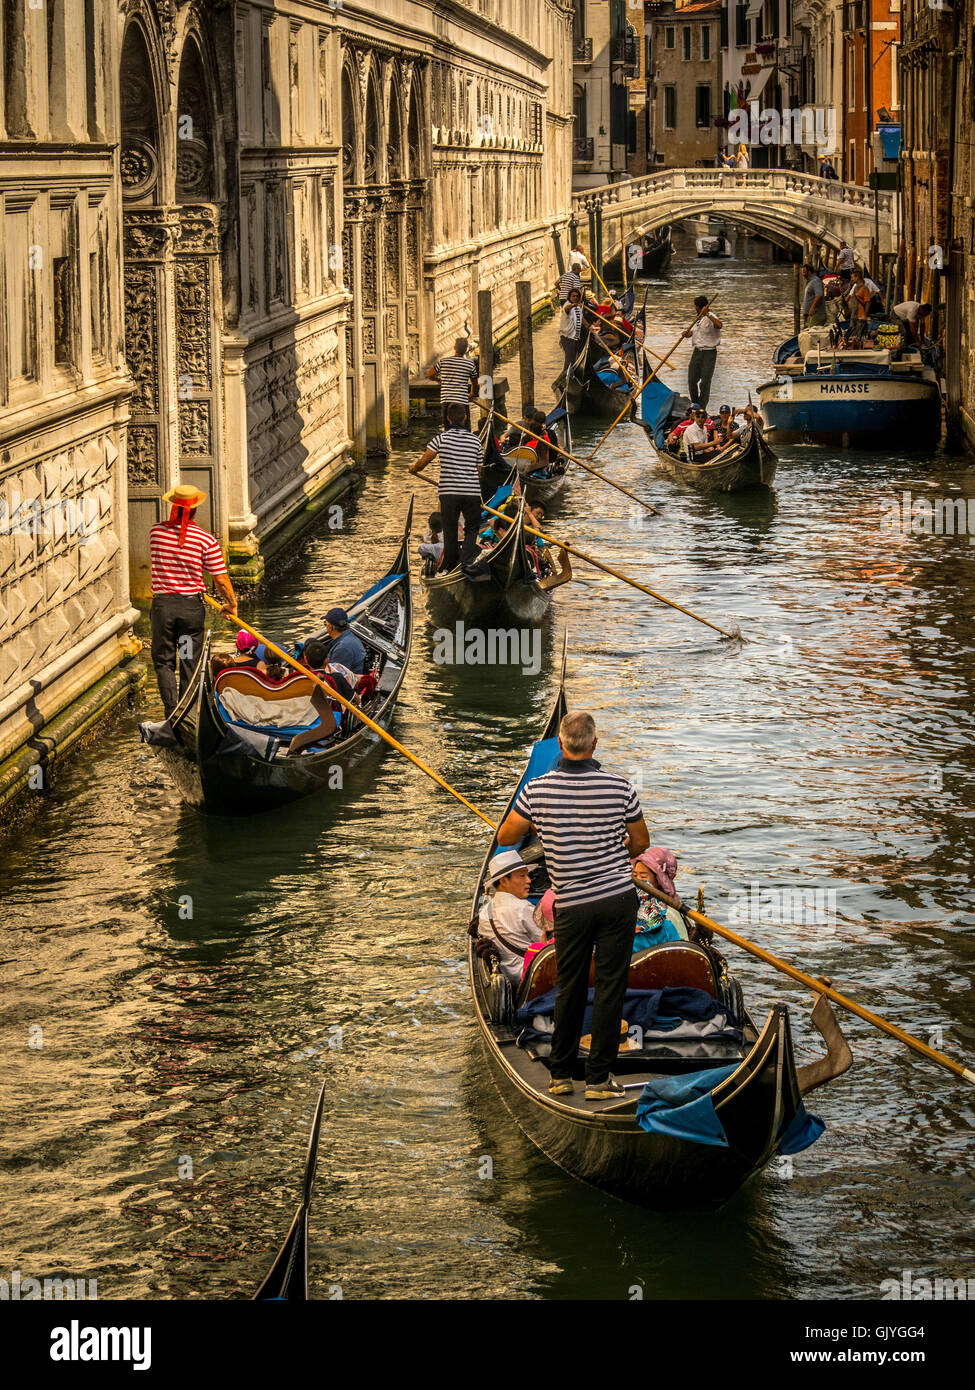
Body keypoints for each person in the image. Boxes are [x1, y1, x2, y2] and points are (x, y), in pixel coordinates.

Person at [497, 710, 650, 1101]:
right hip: (617, 897)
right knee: (611, 987)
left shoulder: (537, 790)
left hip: (571, 905)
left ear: (561, 745)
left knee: (571, 987)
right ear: (595, 745)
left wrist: (536, 823)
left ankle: (561, 1075)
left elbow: (504, 836)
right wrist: (614, 856)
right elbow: (640, 843)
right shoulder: (621, 788)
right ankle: (598, 1080)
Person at [149, 483, 237, 719]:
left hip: (163, 609)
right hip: (190, 611)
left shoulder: (156, 532)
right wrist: (232, 604)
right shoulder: (205, 541)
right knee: (189, 659)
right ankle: (188, 713)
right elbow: (220, 579)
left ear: (173, 507)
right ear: (195, 510)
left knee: (164, 662)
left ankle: (171, 713)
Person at [409, 402, 483, 571]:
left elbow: (424, 461)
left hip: (449, 493)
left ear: (448, 419)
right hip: (471, 491)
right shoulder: (475, 441)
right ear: (465, 418)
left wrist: (414, 468)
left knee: (449, 530)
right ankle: (465, 562)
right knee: (472, 529)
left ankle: (450, 565)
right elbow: (479, 470)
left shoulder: (441, 439)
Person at [477, 850, 545, 984]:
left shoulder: (485, 911)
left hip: (507, 975)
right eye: (522, 876)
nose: (529, 880)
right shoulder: (524, 909)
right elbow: (546, 945)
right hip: (531, 976)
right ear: (503, 881)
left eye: (527, 875)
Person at [288, 637, 358, 755]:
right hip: (328, 725)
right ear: (327, 660)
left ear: (305, 659)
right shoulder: (337, 678)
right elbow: (355, 700)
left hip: (301, 719)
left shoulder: (297, 679)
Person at [425, 336, 478, 429]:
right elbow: (475, 384)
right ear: (466, 349)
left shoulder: (443, 362)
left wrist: (439, 380)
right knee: (465, 430)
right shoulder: (470, 364)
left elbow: (429, 375)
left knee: (448, 429)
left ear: (454, 348)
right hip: (462, 400)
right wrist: (472, 394)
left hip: (446, 400)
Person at [683, 296, 722, 412]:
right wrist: (688, 334)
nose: (694, 308)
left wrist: (708, 314)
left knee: (705, 381)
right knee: (691, 379)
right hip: (697, 352)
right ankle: (695, 404)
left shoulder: (712, 317)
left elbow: (719, 325)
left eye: (695, 306)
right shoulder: (698, 319)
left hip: (709, 353)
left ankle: (702, 407)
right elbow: (696, 334)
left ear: (700, 307)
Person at [322, 607, 366, 674]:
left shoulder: (342, 648)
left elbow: (335, 676)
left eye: (325, 623)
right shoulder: (350, 638)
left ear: (330, 627)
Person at [558, 287, 585, 375]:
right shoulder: (567, 305)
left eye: (577, 296)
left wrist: (590, 326)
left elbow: (581, 318)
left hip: (575, 337)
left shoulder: (578, 307)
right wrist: (574, 305)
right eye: (573, 296)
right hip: (567, 337)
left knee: (573, 359)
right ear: (569, 297)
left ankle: (570, 375)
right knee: (569, 360)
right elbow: (566, 309)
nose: (575, 298)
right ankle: (564, 377)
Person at [800, 263, 826, 328]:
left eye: (804, 272)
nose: (803, 274)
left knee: (812, 335)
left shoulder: (815, 281)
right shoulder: (810, 282)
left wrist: (812, 308)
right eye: (802, 272)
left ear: (809, 272)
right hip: (811, 315)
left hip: (816, 314)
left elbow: (819, 295)